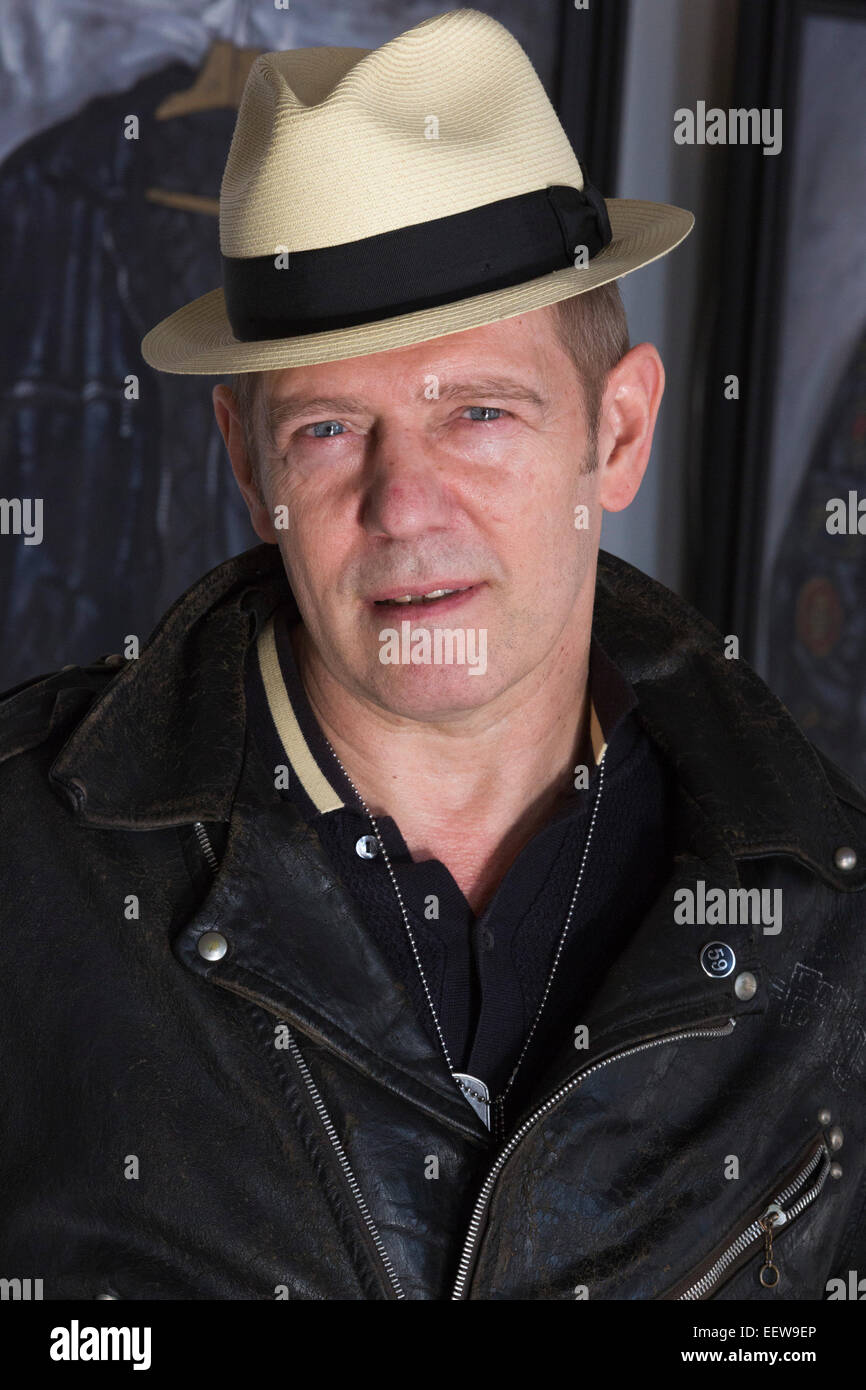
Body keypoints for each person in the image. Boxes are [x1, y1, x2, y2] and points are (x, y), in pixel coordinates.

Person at [1, 8, 864, 1302]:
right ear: (249, 465)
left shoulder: (830, 921)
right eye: (331, 429)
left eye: (476, 412)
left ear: (615, 431)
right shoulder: (25, 865)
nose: (404, 505)